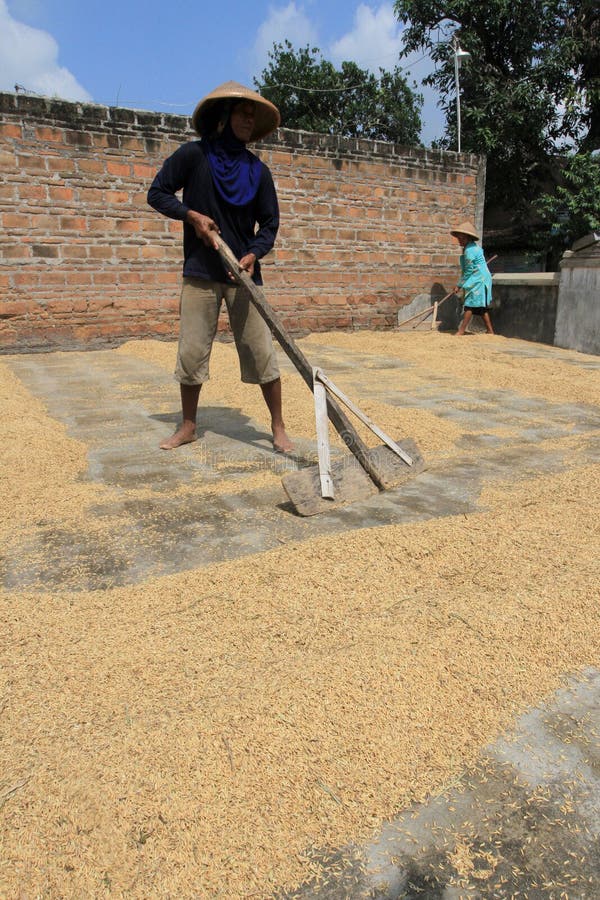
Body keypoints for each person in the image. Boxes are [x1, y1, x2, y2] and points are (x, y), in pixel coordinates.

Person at [147, 81, 294, 452]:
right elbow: (157, 193)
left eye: (252, 115)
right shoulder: (194, 156)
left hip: (243, 275)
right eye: (242, 113)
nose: (248, 120)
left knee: (262, 352)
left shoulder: (258, 172)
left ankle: (278, 427)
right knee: (191, 352)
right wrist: (192, 216)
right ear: (224, 117)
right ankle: (188, 426)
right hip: (201, 271)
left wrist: (254, 254)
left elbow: (270, 223)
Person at [450, 221, 494, 335]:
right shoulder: (472, 248)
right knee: (480, 307)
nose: (460, 240)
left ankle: (461, 331)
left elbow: (469, 270)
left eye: (462, 238)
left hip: (479, 279)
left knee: (469, 304)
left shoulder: (470, 250)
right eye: (459, 238)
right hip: (479, 277)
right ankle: (490, 330)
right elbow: (469, 269)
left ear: (468, 238)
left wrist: (459, 285)